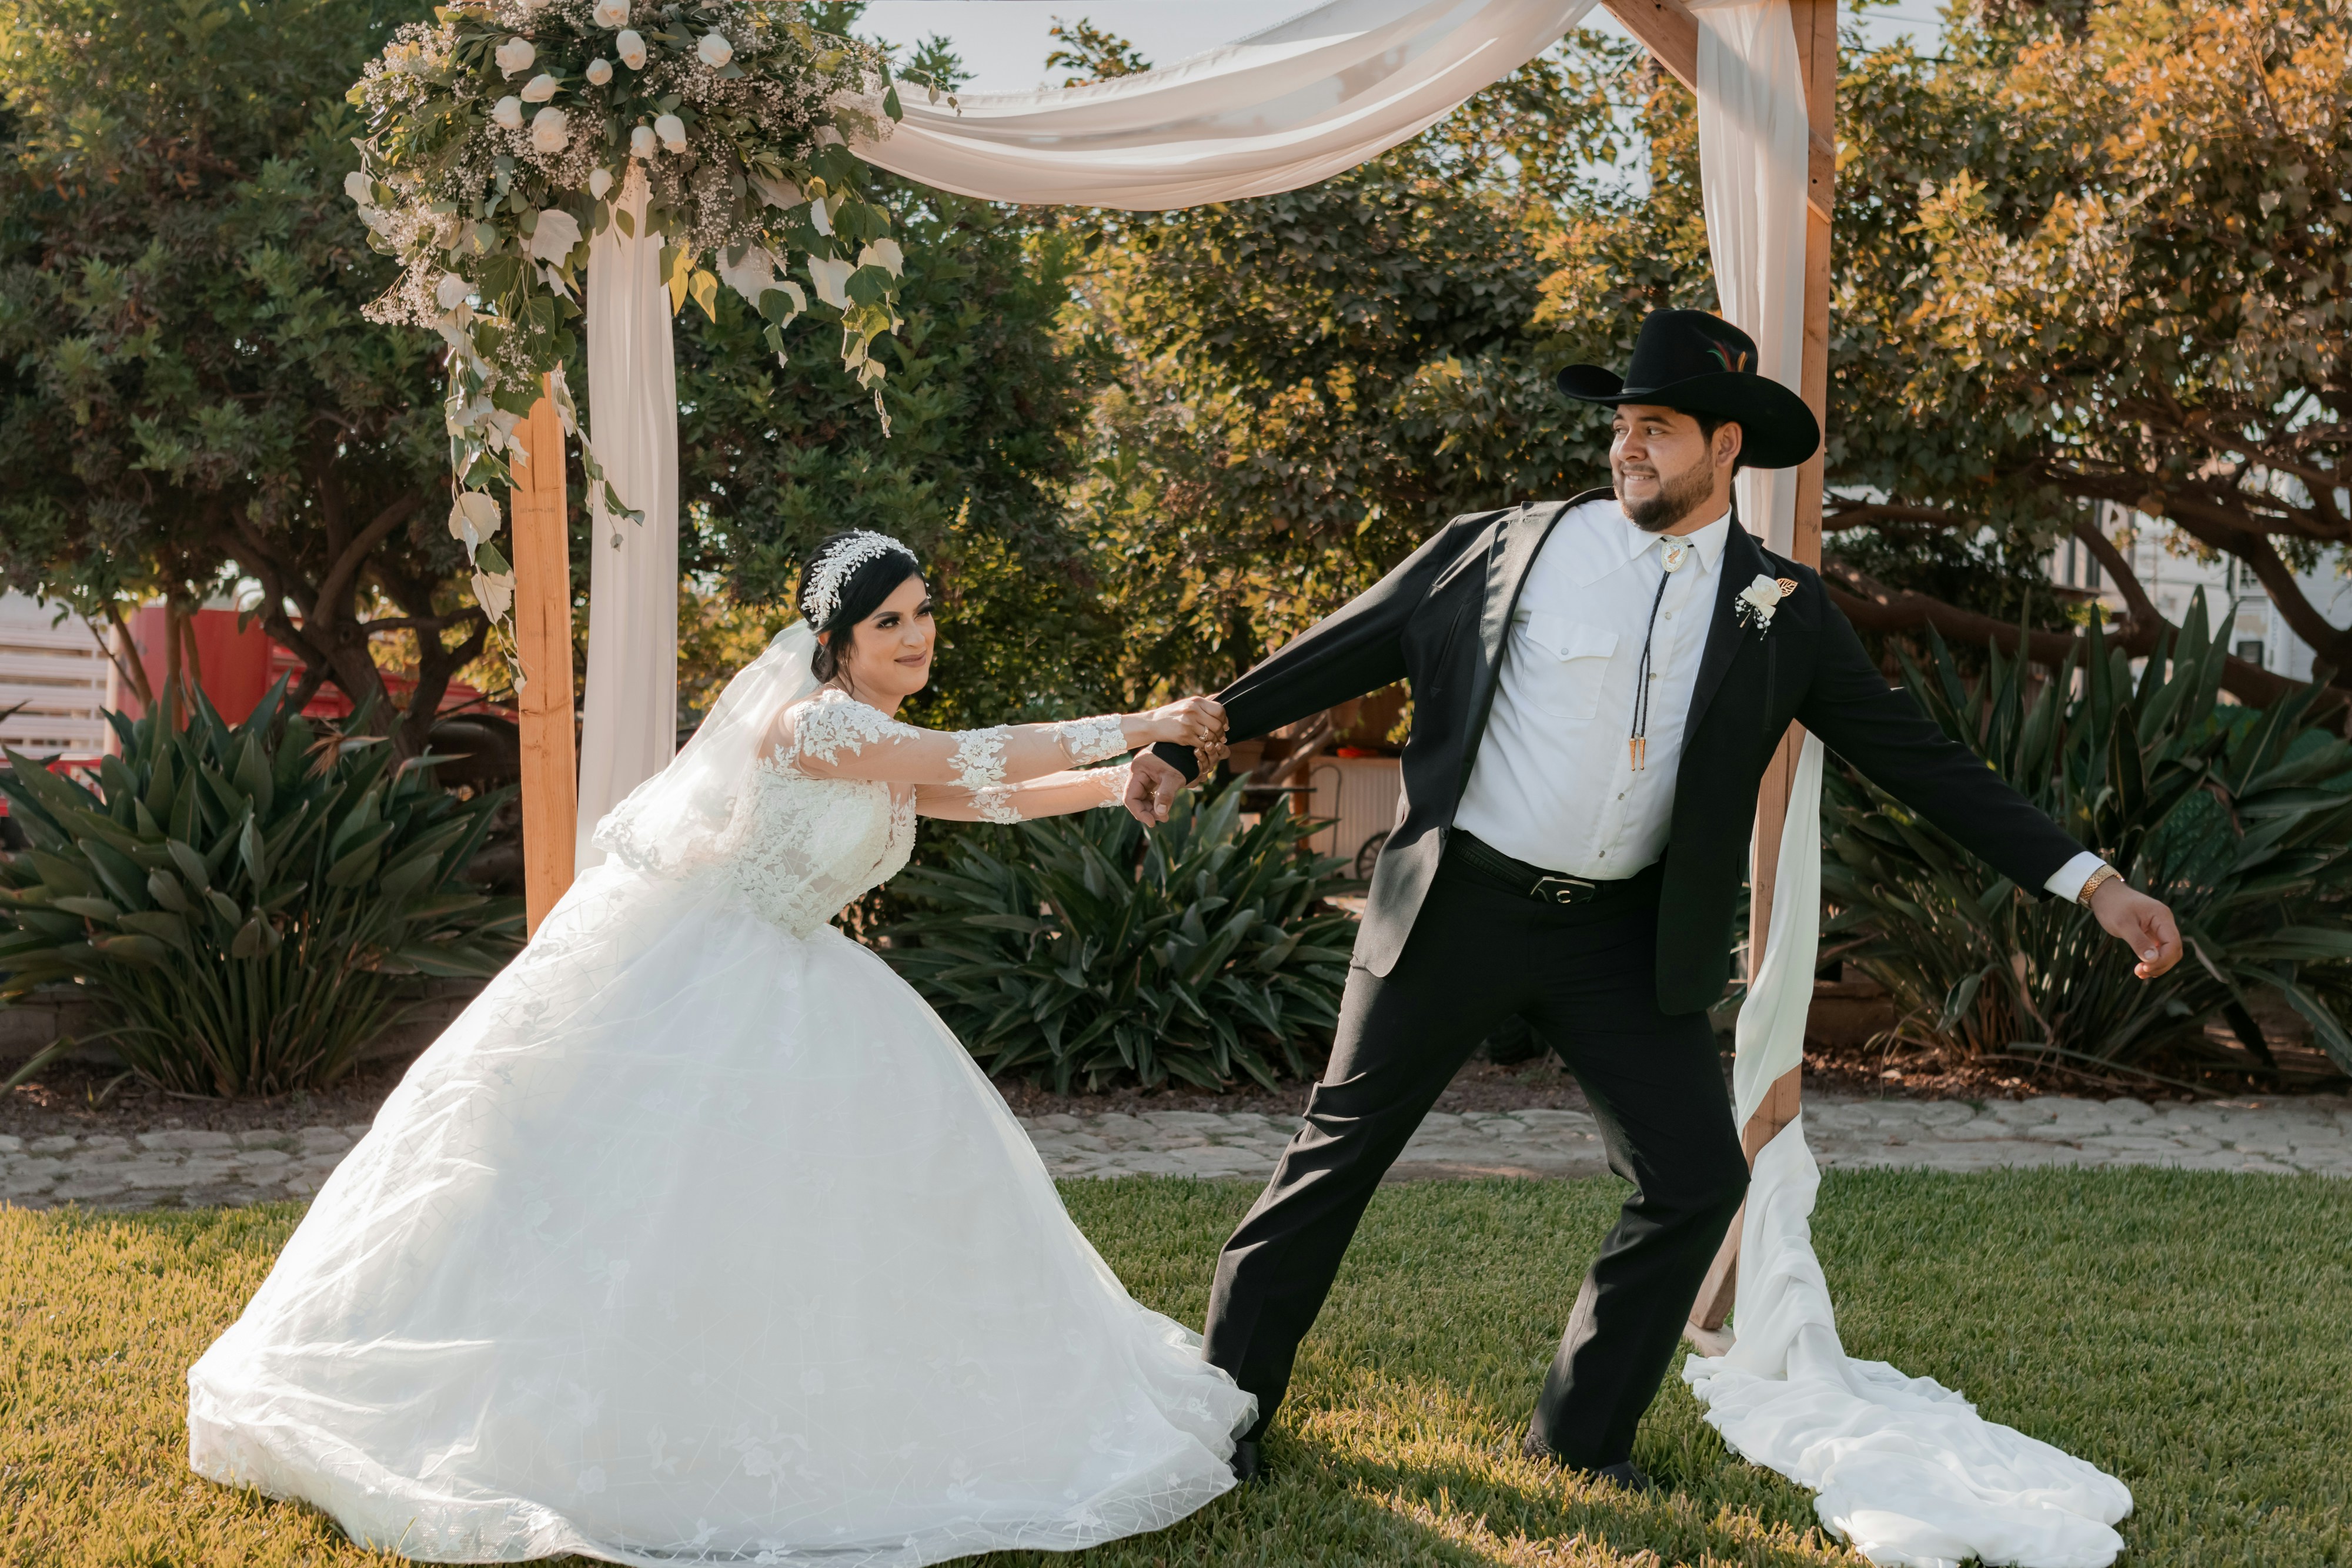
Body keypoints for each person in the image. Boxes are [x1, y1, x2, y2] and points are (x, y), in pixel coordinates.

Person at [1124, 309, 2185, 1491]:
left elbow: (1920, 757)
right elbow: (1345, 643)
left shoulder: (1779, 608)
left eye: (1657, 429)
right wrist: (1185, 741)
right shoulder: (1504, 548)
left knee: (1695, 1179)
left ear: (1724, 445)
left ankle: (1580, 1441)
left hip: (1622, 939)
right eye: (1620, 426)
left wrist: (2089, 882)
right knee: (1335, 1157)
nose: (1627, 448)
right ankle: (1216, 1421)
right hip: (1455, 907)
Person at [189, 530, 1253, 1567]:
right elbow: (962, 756)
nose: (916, 634)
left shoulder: (870, 735)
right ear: (837, 638)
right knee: (635, 1206)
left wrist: (1116, 783)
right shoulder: (815, 727)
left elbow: (977, 790)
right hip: (705, 978)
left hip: (796, 973)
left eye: (923, 613)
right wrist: (1144, 721)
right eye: (890, 620)